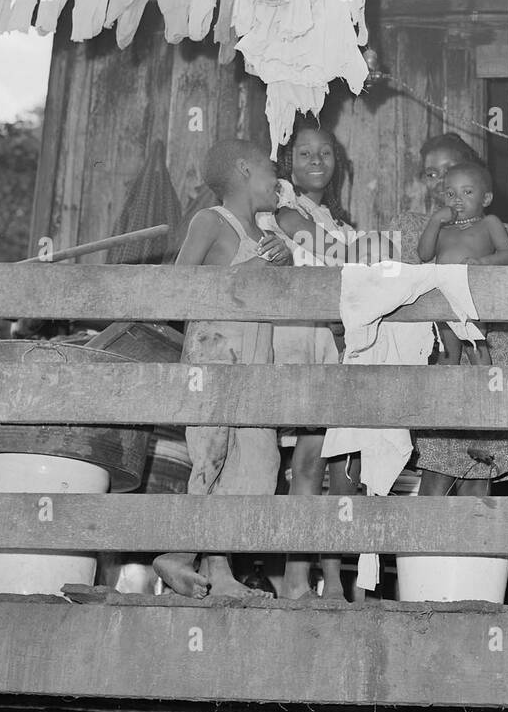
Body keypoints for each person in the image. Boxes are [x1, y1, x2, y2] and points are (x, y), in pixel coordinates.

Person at [152, 139, 291, 599]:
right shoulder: (211, 221)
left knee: (255, 464)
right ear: (244, 170)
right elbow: (177, 285)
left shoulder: (271, 238)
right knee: (211, 454)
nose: (280, 179)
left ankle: (221, 570)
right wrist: (236, 278)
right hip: (215, 354)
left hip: (256, 364)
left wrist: (283, 265)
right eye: (273, 169)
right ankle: (175, 554)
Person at [386, 133, 508, 497]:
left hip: (488, 344)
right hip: (434, 349)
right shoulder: (415, 224)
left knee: (481, 473)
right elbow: (411, 269)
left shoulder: (499, 228)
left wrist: (485, 263)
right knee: (436, 470)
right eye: (433, 176)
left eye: (452, 171)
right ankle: (429, 552)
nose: (446, 185)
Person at [270, 116, 357, 601]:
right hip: (302, 342)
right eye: (305, 153)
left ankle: (337, 583)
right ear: (289, 164)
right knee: (306, 461)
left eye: (325, 153)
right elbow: (345, 264)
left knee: (341, 466)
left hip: (338, 347)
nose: (316, 161)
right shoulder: (285, 211)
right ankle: (298, 581)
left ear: (336, 163)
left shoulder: (340, 225)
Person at [417, 159, 508, 366]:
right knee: (446, 352)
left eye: (467, 192)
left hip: (472, 294)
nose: (457, 200)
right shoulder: (442, 229)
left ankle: (487, 393)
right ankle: (445, 396)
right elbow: (424, 255)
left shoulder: (489, 223)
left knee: (475, 346)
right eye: (451, 194)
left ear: (486, 198)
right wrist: (434, 222)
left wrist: (483, 262)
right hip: (442, 296)